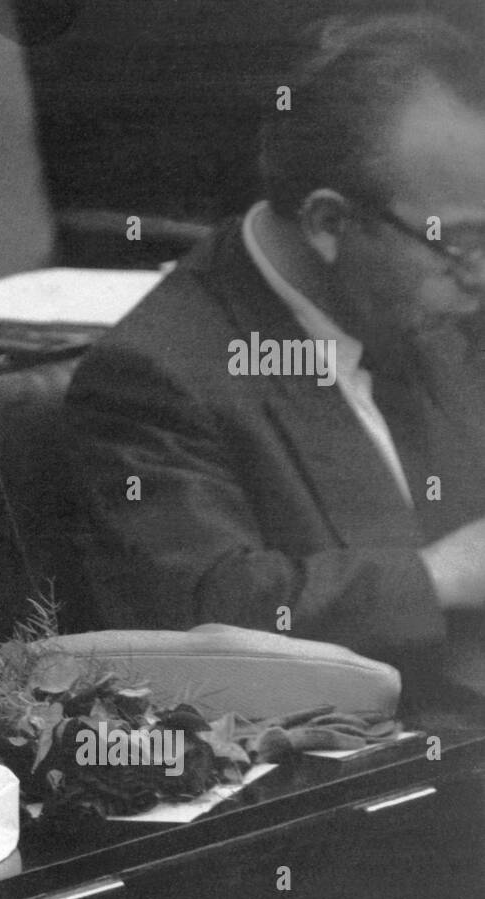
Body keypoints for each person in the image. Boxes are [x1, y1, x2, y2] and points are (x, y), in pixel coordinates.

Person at [61, 14, 485, 699]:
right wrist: (445, 574)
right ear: (327, 222)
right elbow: (209, 620)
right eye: (464, 244)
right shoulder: (155, 377)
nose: (482, 278)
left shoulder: (433, 285)